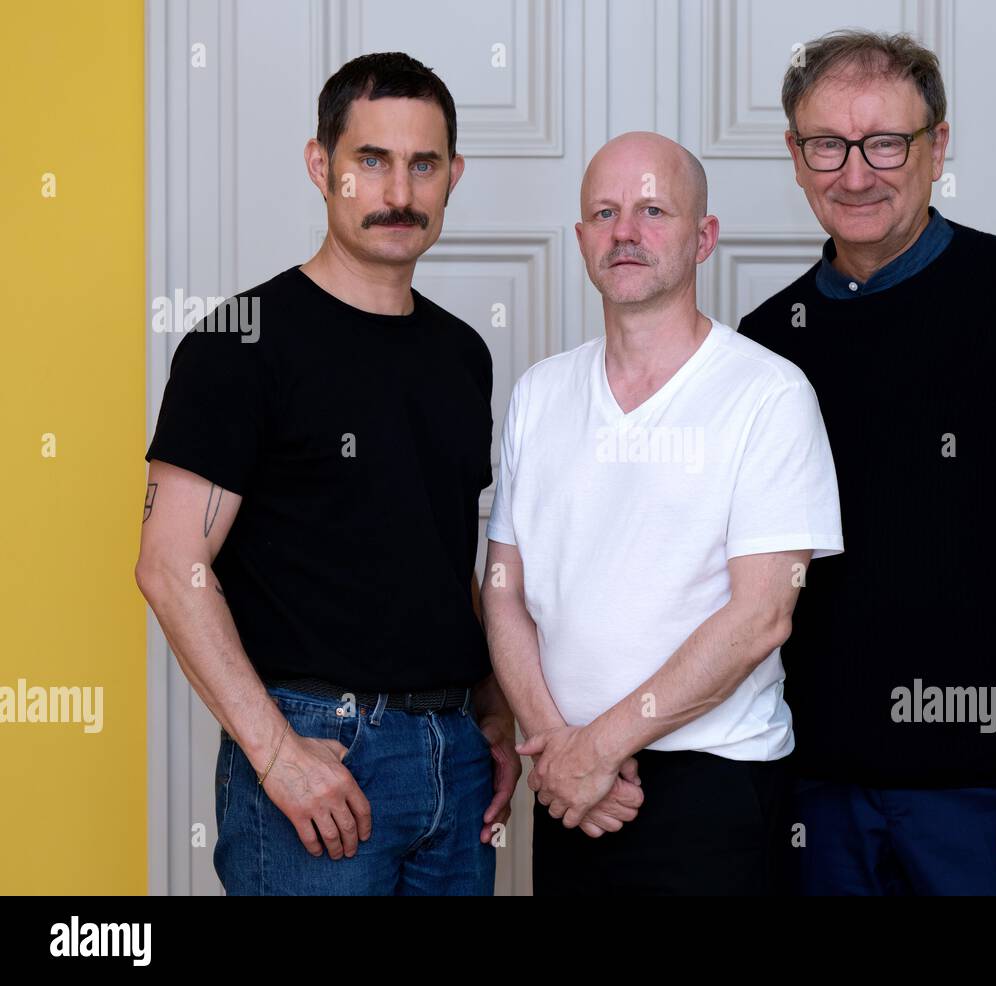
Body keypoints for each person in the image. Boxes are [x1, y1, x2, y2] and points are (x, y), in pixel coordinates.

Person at [738, 30, 996, 895]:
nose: (856, 174)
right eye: (828, 146)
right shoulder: (768, 344)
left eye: (887, 142)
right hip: (817, 797)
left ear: (938, 147)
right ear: (795, 154)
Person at [134, 52, 520, 895]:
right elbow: (169, 564)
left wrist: (490, 714)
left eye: (423, 165)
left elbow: (439, 551)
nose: (399, 192)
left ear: (453, 176)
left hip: (453, 756)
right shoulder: (242, 341)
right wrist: (276, 755)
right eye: (370, 161)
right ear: (322, 166)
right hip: (319, 753)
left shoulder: (463, 354)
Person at [482, 132, 844, 895]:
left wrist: (599, 748)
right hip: (571, 787)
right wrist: (555, 744)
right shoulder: (539, 395)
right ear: (582, 238)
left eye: (653, 210)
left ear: (702, 237)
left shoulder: (768, 396)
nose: (625, 231)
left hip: (714, 789)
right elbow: (504, 591)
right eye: (605, 212)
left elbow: (762, 617)